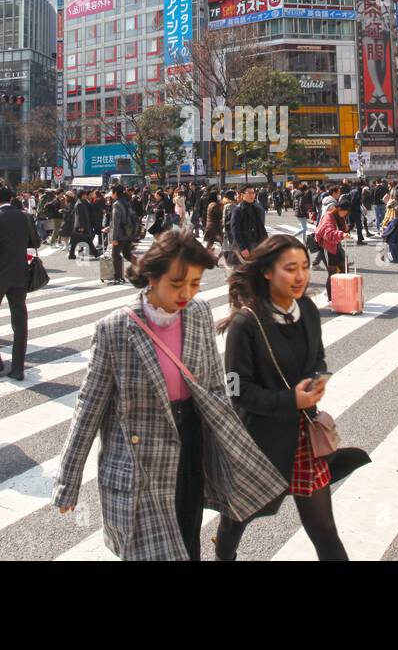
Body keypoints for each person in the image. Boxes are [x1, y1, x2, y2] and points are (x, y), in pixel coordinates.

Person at [54, 230, 286, 560]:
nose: (186, 294)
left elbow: (213, 386)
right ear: (152, 276)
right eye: (177, 284)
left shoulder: (198, 313)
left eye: (194, 284)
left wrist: (234, 444)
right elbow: (88, 407)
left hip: (189, 445)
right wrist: (68, 480)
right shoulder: (115, 329)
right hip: (138, 464)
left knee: (187, 541)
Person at [215, 235, 356, 561]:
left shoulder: (306, 308)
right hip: (258, 444)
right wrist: (290, 401)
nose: (300, 276)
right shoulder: (244, 324)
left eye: (305, 267)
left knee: (324, 530)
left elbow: (317, 356)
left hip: (304, 437)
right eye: (290, 268)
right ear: (266, 272)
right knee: (237, 518)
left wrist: (318, 379)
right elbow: (237, 391)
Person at [0, 183, 42, 379]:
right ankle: (18, 368)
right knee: (19, 319)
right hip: (20, 273)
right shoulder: (24, 216)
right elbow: (36, 242)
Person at [314, 198, 350, 303]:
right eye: (344, 212)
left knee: (344, 269)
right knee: (332, 273)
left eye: (346, 213)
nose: (344, 214)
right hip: (326, 247)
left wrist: (345, 229)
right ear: (338, 208)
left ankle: (341, 294)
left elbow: (342, 230)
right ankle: (331, 299)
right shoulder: (328, 216)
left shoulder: (339, 217)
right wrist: (342, 234)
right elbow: (328, 234)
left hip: (335, 245)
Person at [230, 184, 268, 261]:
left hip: (257, 243)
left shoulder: (256, 208)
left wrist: (267, 241)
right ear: (242, 195)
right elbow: (235, 230)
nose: (252, 195)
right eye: (249, 193)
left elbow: (260, 227)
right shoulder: (238, 210)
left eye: (253, 193)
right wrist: (242, 248)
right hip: (245, 245)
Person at [108, 185, 137, 283]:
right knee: (127, 254)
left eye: (112, 192)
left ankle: (118, 277)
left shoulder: (116, 204)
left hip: (120, 234)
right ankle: (143, 267)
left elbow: (116, 222)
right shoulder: (126, 201)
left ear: (115, 193)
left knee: (115, 255)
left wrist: (114, 238)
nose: (111, 194)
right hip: (128, 232)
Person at [67, 190, 97, 260]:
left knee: (76, 241)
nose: (86, 196)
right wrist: (81, 226)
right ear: (82, 195)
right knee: (87, 239)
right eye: (85, 195)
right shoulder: (80, 204)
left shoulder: (80, 202)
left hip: (79, 226)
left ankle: (71, 254)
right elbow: (80, 217)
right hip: (80, 225)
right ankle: (95, 253)